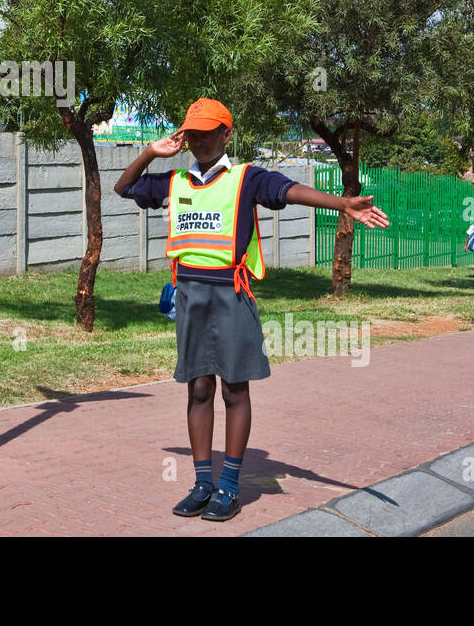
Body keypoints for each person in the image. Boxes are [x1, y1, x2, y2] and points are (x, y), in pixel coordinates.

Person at [114, 97, 389, 522]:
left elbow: (289, 192)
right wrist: (150, 152)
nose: (199, 140)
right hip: (190, 296)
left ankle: (228, 487)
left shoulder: (247, 178)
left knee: (233, 389)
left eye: (208, 132)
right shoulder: (175, 182)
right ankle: (203, 482)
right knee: (198, 388)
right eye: (193, 132)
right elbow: (125, 188)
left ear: (226, 133)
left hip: (232, 295)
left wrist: (343, 204)